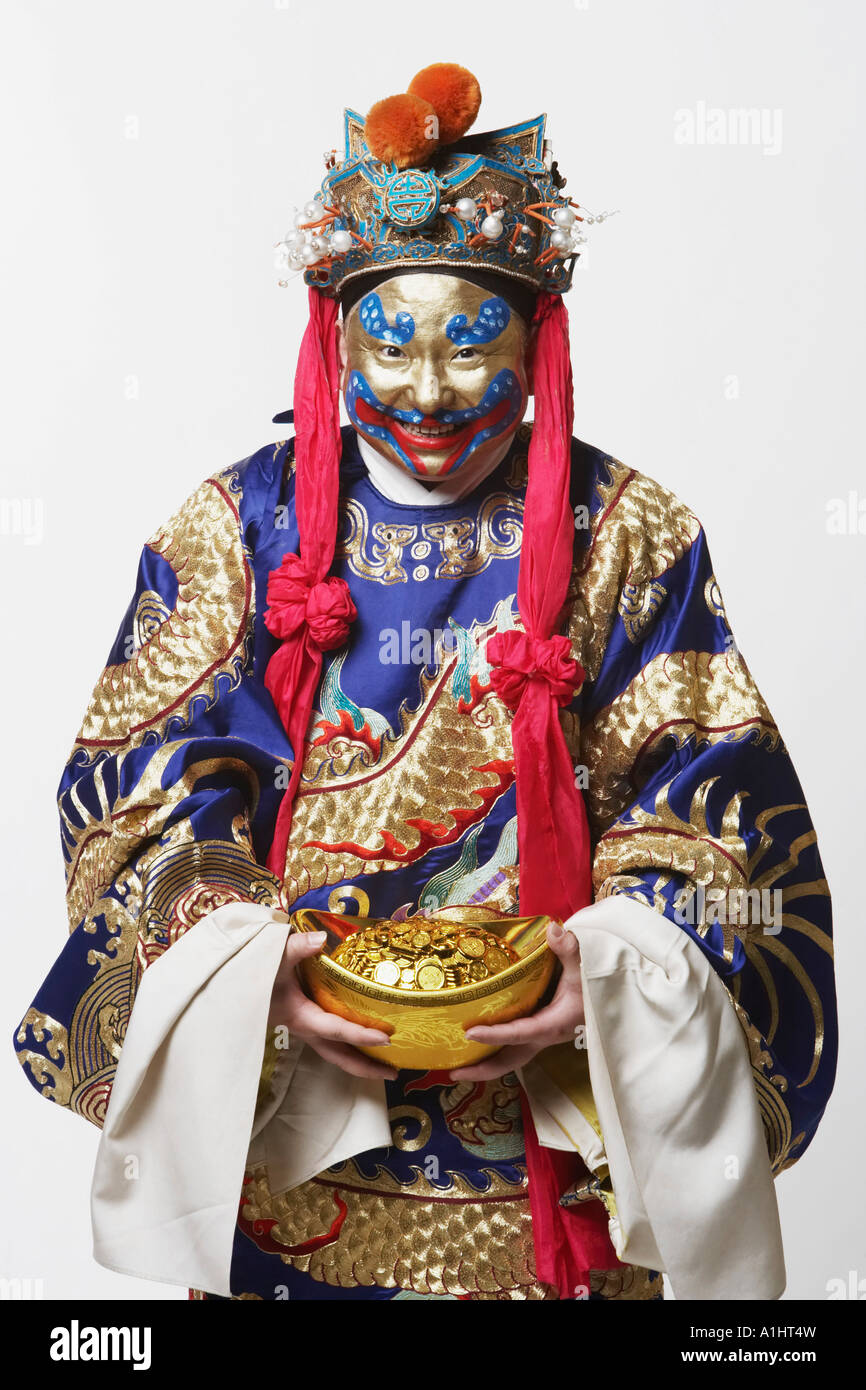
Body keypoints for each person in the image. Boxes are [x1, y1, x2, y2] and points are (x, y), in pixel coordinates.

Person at [14, 63, 836, 1302]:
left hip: (549, 1142)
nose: (429, 392)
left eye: (470, 340)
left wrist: (606, 970)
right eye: (388, 344)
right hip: (289, 1129)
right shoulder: (234, 529)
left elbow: (716, 804)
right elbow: (132, 795)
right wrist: (246, 966)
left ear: (537, 334)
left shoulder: (628, 530)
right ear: (333, 337)